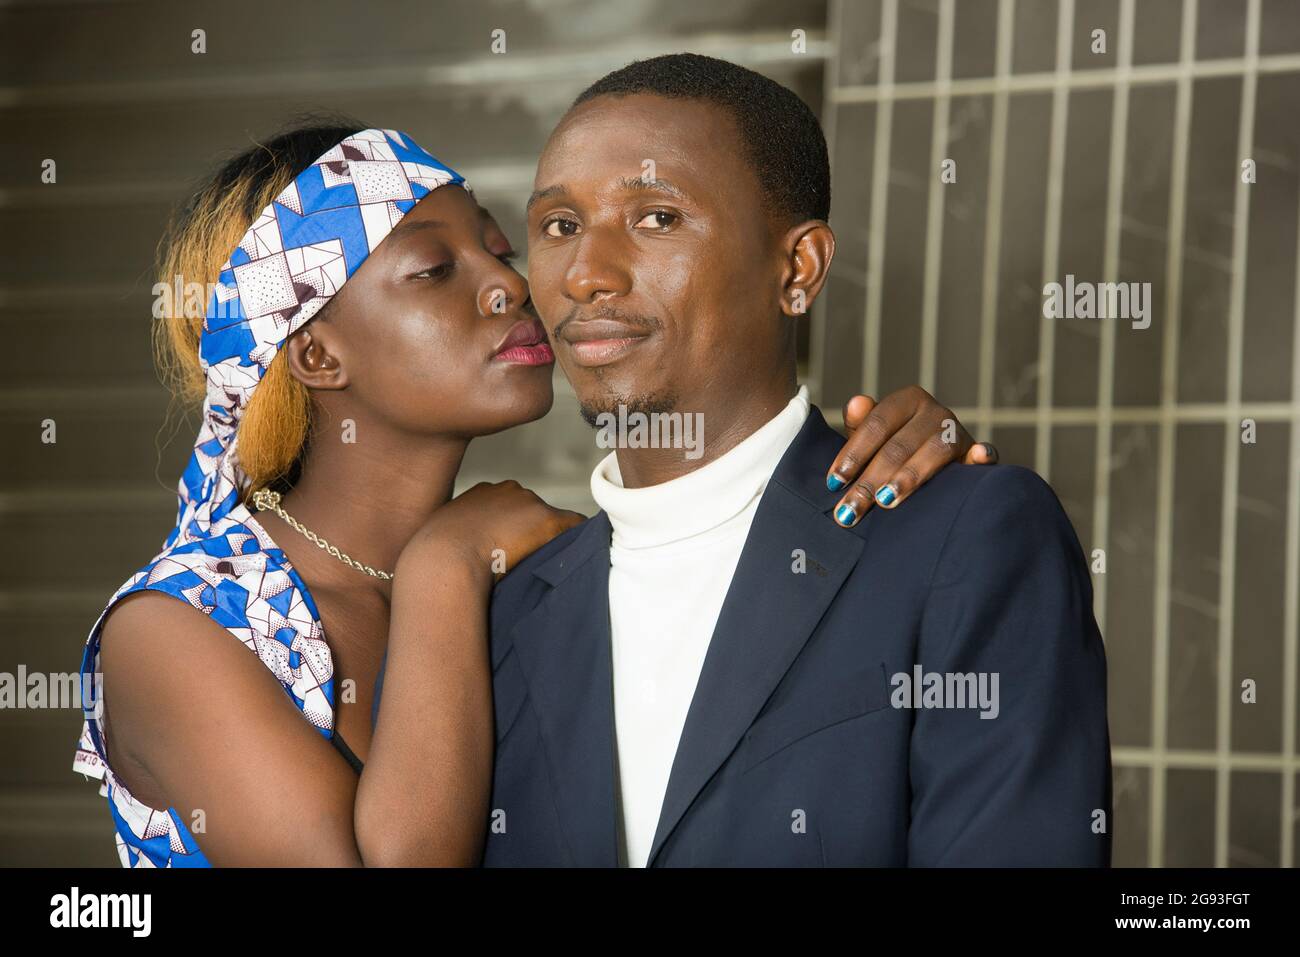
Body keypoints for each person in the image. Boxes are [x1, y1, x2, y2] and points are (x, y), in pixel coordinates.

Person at [72, 122, 991, 867]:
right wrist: (444, 564)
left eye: (499, 249)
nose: (510, 285)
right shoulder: (177, 630)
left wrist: (892, 460)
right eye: (437, 271)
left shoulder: (540, 571)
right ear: (316, 354)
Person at [455, 54, 1113, 867]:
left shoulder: (964, 539)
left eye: (657, 217)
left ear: (797, 269)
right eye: (559, 226)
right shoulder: (505, 607)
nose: (586, 273)